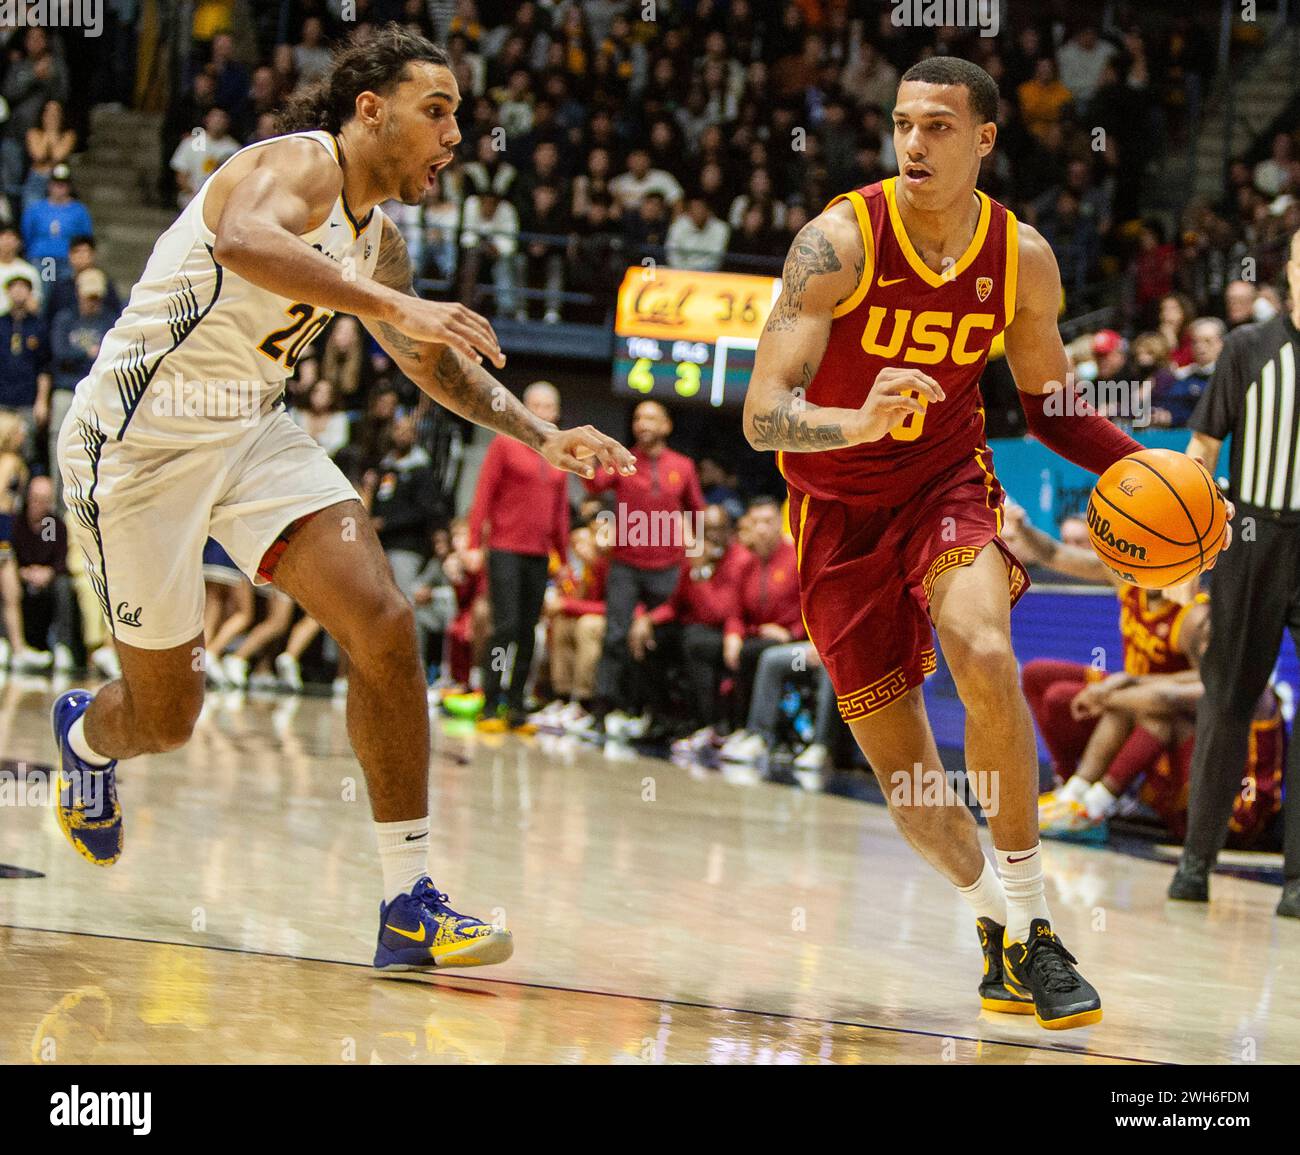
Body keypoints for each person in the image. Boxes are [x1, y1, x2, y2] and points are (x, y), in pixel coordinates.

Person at [51, 25, 634, 976]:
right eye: (435, 111)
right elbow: (245, 241)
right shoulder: (295, 164)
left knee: (384, 621)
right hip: (137, 448)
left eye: (458, 115)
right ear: (371, 110)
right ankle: (84, 733)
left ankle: (407, 903)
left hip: (247, 432)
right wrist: (393, 306)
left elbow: (427, 361)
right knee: (167, 715)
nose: (454, 136)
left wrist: (540, 434)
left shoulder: (381, 240)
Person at [741, 57, 1173, 1030]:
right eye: (902, 124)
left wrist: (1150, 470)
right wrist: (852, 422)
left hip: (943, 487)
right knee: (908, 781)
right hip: (837, 516)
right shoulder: (836, 243)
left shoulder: (1020, 257)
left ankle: (1035, 923)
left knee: (985, 649)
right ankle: (992, 926)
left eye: (938, 126)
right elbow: (763, 417)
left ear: (984, 138)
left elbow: (1053, 408)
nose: (913, 144)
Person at [1168, 225, 1300, 917]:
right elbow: (1200, 449)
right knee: (1228, 698)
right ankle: (1196, 862)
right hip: (1250, 537)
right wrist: (1188, 555)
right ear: (1292, 273)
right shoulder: (1250, 348)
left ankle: (1298, 882)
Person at [583, 398, 704, 737]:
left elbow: (696, 508)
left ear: (666, 426)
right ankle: (602, 711)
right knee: (615, 637)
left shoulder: (684, 465)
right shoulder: (623, 461)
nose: (643, 423)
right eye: (638, 417)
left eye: (651, 418)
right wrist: (590, 453)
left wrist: (695, 548)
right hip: (625, 564)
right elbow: (593, 484)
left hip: (668, 567)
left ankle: (656, 713)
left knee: (660, 640)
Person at [467, 380, 570, 730]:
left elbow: (560, 514)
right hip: (504, 550)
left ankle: (515, 703)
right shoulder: (504, 444)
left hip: (538, 555)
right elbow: (482, 497)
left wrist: (566, 559)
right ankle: (490, 698)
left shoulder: (559, 454)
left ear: (556, 413)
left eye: (547, 407)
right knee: (505, 627)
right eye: (535, 406)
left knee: (528, 629)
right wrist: (470, 545)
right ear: (524, 409)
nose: (541, 412)